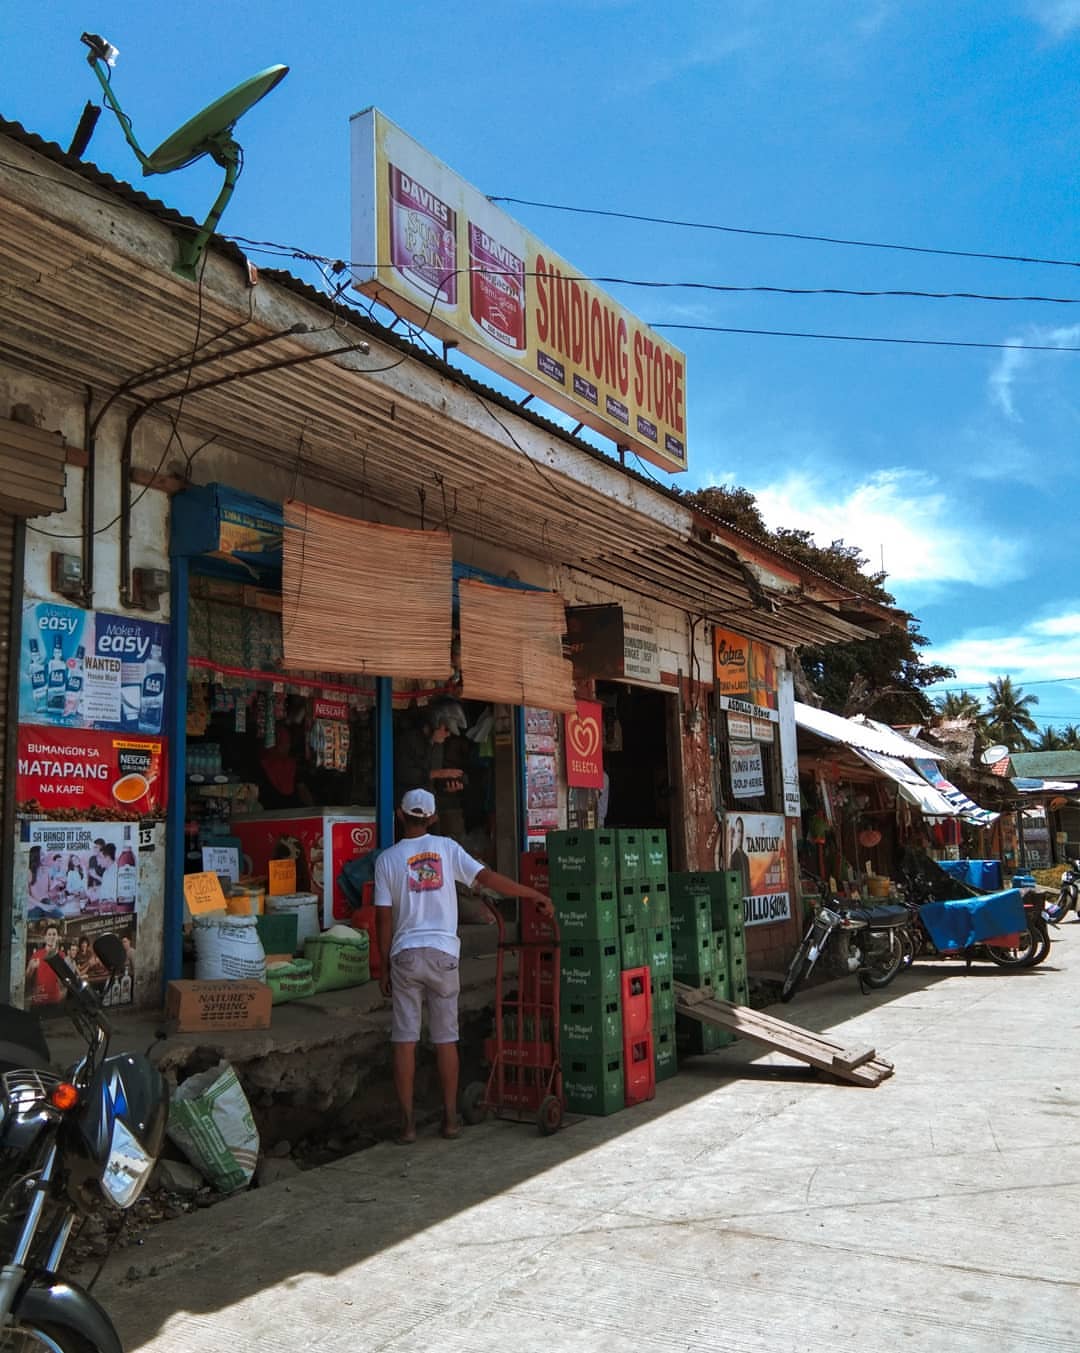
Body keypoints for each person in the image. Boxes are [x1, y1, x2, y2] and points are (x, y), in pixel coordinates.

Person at [374, 787, 554, 1144]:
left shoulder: (387, 860)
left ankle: (407, 1126)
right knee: (446, 1039)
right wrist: (534, 894)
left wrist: (383, 966)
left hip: (405, 956)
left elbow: (382, 918)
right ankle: (451, 1121)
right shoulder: (448, 849)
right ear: (433, 818)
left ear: (399, 816)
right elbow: (489, 880)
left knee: (404, 1040)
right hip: (443, 955)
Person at [394, 699, 469, 838]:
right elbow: (403, 774)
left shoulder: (437, 746)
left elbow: (432, 783)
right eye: (446, 729)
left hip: (429, 813)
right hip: (408, 812)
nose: (448, 734)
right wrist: (438, 773)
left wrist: (448, 787)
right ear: (433, 724)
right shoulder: (409, 740)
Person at [25, 923, 66, 1006]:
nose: (51, 937)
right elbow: (27, 979)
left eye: (54, 934)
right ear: (45, 937)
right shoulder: (36, 955)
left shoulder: (62, 955)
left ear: (58, 937)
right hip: (39, 1000)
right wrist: (30, 968)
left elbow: (64, 982)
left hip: (55, 1000)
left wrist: (61, 995)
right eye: (49, 934)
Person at [727, 815, 752, 901]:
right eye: (738, 831)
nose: (740, 835)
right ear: (734, 834)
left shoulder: (746, 858)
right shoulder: (732, 858)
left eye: (741, 832)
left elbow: (748, 883)